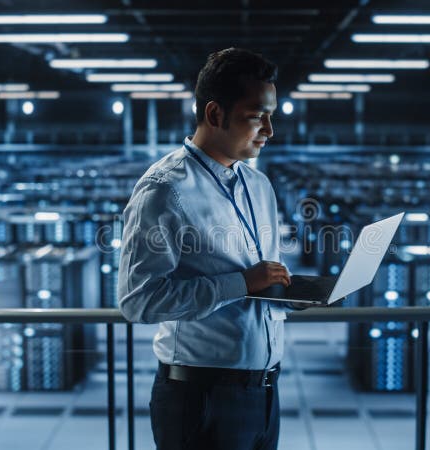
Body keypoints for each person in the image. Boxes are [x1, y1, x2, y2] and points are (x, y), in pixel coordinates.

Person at [118, 48, 301, 450]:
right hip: (202, 398)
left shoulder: (258, 186)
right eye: (256, 116)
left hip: (265, 392)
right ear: (215, 114)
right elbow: (138, 301)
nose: (269, 130)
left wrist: (290, 292)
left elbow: (257, 277)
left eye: (271, 116)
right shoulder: (164, 190)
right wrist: (241, 283)